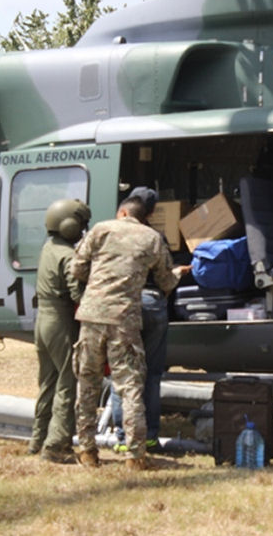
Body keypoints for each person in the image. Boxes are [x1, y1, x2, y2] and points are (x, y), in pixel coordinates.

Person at [70, 196, 190, 470]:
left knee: (87, 383)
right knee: (130, 386)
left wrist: (101, 278)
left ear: (122, 212)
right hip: (125, 320)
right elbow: (165, 282)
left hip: (92, 316)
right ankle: (135, 455)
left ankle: (87, 451)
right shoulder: (152, 238)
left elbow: (77, 268)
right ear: (142, 216)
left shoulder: (100, 229)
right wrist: (177, 273)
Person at [109, 187, 172, 454]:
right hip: (153, 304)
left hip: (123, 305)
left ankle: (124, 437)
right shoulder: (156, 237)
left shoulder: (109, 234)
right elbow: (167, 278)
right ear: (152, 212)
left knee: (122, 372)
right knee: (152, 375)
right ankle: (150, 436)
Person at [29, 198, 91, 464]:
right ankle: (57, 445)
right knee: (67, 382)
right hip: (60, 321)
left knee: (48, 382)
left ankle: (38, 439)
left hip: (42, 320)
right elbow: (78, 295)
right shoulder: (68, 255)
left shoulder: (48, 248)